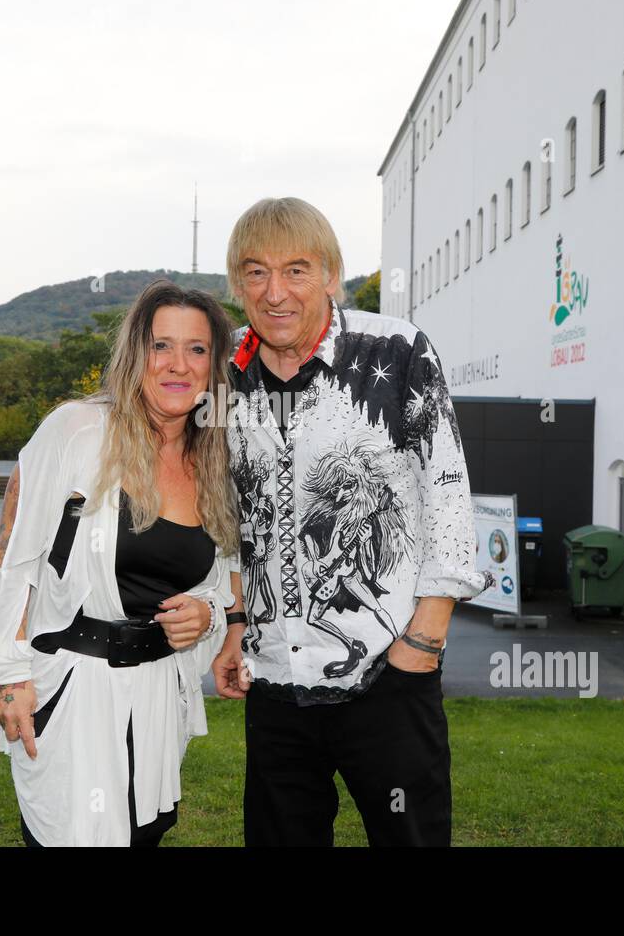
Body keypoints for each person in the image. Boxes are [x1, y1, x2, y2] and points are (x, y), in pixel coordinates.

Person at [211, 196, 495, 846]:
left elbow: (446, 490)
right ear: (237, 284)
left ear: (331, 275)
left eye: (296, 270)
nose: (275, 292)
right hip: (275, 680)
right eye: (255, 273)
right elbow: (229, 515)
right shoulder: (222, 371)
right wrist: (232, 624)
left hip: (389, 675)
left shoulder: (396, 351)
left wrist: (422, 643)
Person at [0, 279, 243, 847]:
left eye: (196, 349)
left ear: (215, 365)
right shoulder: (78, 430)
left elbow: (218, 583)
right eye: (160, 345)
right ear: (133, 353)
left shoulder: (215, 456)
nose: (178, 364)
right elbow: (16, 555)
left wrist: (206, 615)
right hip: (72, 693)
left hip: (154, 705)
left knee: (141, 837)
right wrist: (8, 674)